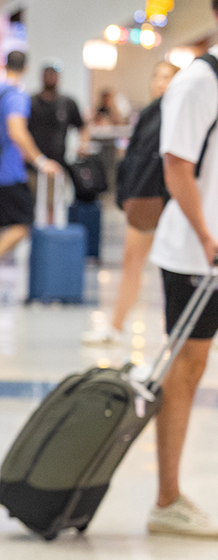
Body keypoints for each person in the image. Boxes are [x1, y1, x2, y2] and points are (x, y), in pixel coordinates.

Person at [145, 0, 218, 537]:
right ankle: (167, 498)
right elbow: (177, 166)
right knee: (187, 369)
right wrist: (207, 238)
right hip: (198, 253)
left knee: (195, 366)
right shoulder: (199, 81)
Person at [83, 60, 179, 347]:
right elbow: (135, 158)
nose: (159, 82)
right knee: (131, 262)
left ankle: (183, 333)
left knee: (176, 270)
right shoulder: (150, 114)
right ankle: (115, 327)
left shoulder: (179, 112)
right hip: (145, 200)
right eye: (156, 76)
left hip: (171, 200)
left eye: (167, 77)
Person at [0, 51, 63, 300]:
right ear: (25, 68)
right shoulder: (16, 95)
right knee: (23, 224)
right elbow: (17, 131)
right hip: (7, 171)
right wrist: (40, 161)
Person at [28, 59, 84, 177]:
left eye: (53, 74)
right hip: (32, 166)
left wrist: (82, 145)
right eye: (47, 73)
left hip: (59, 165)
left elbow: (82, 127)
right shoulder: (30, 102)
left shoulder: (67, 103)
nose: (50, 77)